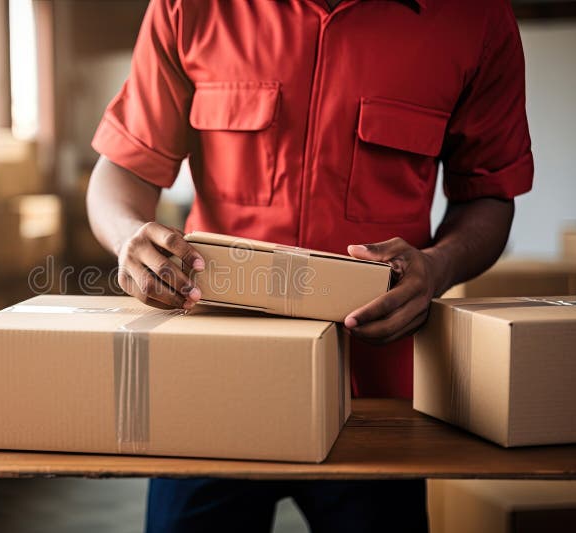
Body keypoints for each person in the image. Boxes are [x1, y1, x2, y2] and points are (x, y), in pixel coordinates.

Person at [86, 0, 533, 531]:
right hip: (212, 383)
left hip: (371, 393)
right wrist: (127, 240)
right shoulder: (193, 9)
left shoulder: (474, 19)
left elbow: (489, 195)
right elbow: (121, 172)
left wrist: (438, 266)